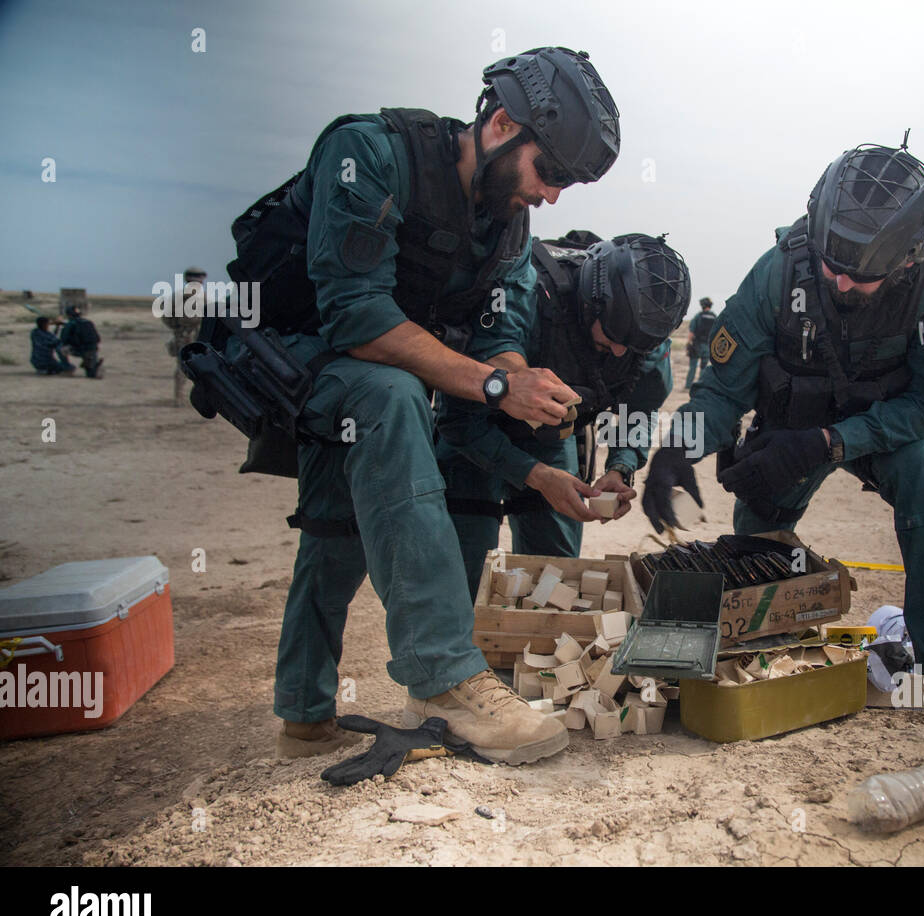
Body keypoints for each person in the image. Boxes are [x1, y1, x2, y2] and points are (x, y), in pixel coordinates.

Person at [202, 47, 620, 764]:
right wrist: (494, 386)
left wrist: (522, 380)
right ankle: (442, 678)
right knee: (390, 395)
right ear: (501, 125)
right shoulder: (367, 151)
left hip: (364, 381)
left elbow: (498, 331)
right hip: (293, 355)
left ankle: (303, 713)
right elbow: (356, 317)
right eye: (549, 173)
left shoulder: (506, 224)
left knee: (337, 525)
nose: (552, 197)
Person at [641, 138, 924, 678]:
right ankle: (757, 651)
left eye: (862, 275)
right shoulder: (778, 271)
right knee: (755, 538)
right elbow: (724, 390)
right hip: (789, 429)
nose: (842, 282)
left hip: (890, 430)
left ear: (909, 259)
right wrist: (678, 449)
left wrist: (831, 442)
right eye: (832, 266)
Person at [437, 231, 690, 595]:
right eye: (612, 339)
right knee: (462, 577)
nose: (620, 353)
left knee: (554, 581)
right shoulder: (522, 295)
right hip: (475, 432)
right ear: (593, 304)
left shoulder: (645, 333)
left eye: (631, 347)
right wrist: (535, 476)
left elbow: (640, 411)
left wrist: (620, 467)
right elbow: (457, 418)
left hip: (552, 436)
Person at [164, 267, 207, 404]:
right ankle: (194, 398)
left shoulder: (177, 297)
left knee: (183, 366)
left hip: (187, 334)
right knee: (199, 367)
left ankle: (179, 397)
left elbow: (167, 318)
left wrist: (177, 329)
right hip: (195, 335)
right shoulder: (204, 297)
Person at [59, 306, 103, 378]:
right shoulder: (88, 322)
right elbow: (97, 338)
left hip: (80, 349)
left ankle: (67, 367)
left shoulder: (71, 324)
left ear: (69, 315)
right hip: (93, 349)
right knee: (90, 369)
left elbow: (63, 339)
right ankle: (94, 367)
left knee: (59, 348)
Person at [684, 296, 716, 389]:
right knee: (704, 367)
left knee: (693, 366)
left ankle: (688, 386)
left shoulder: (698, 316)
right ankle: (700, 386)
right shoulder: (715, 317)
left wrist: (688, 344)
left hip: (696, 345)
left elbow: (691, 332)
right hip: (708, 346)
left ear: (702, 305)